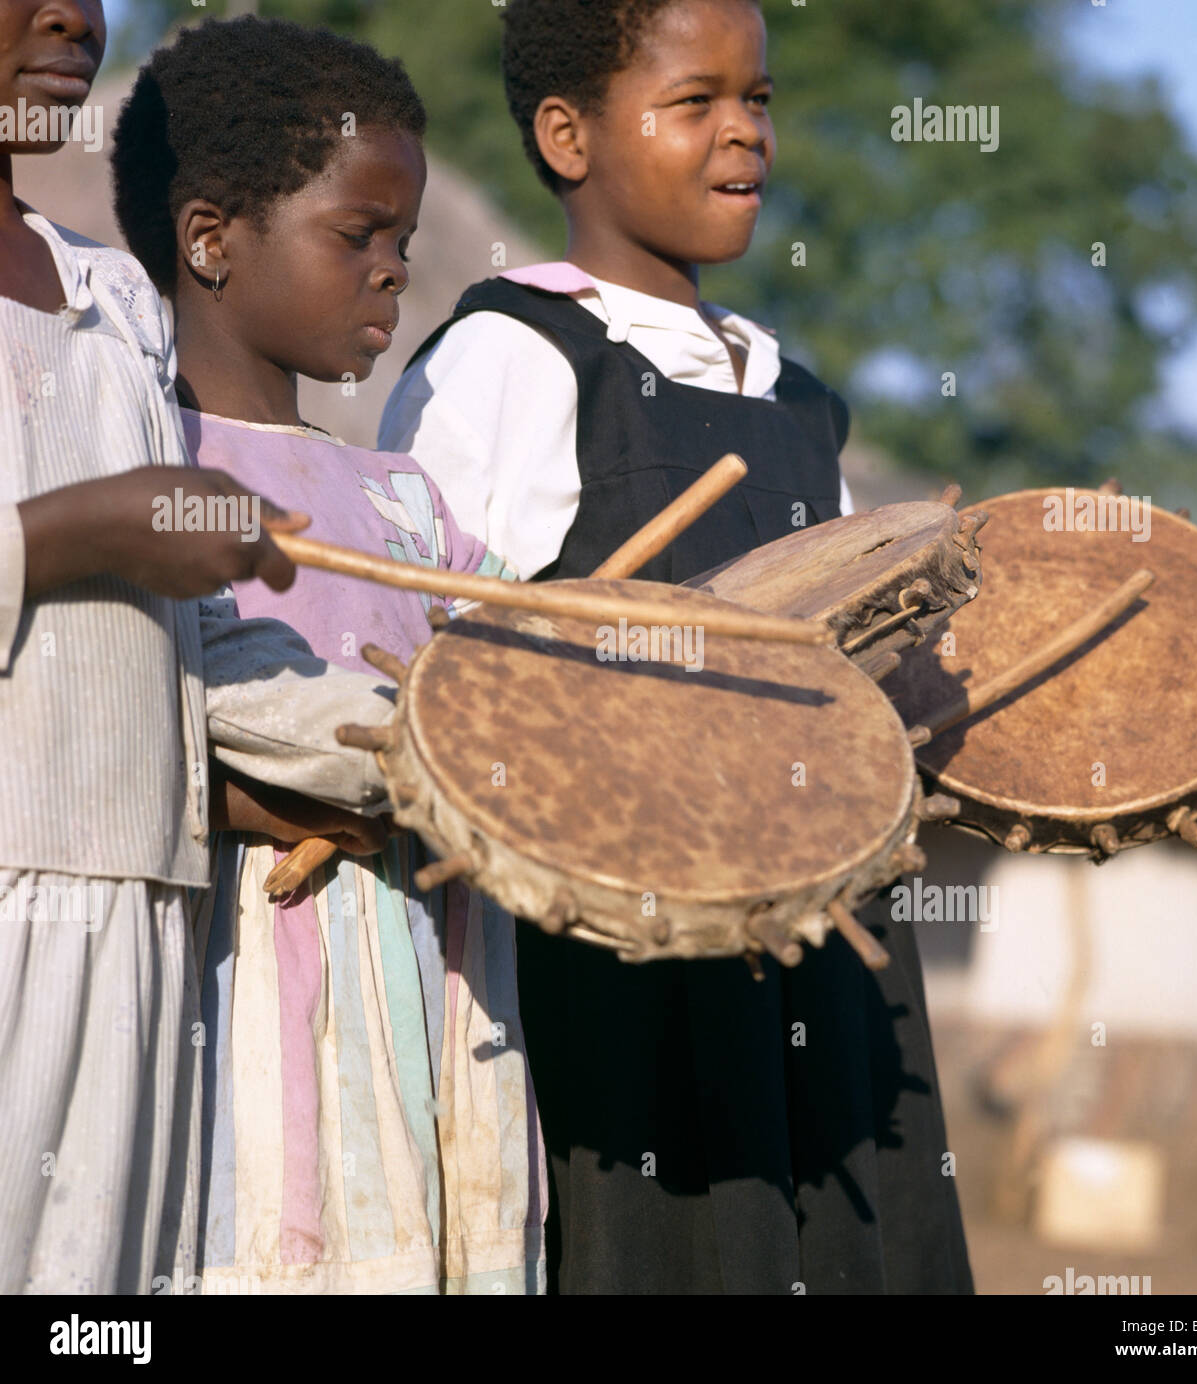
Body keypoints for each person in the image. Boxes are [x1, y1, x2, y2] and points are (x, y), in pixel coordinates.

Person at [381, 0, 973, 1294]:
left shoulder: (798, 393)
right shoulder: (512, 356)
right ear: (566, 132)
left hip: (832, 933)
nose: (744, 132)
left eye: (756, 99)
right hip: (631, 952)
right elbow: (427, 657)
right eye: (694, 101)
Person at [112, 15, 545, 1295]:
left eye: (404, 245)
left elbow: (510, 697)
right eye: (357, 237)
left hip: (434, 986)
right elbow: (137, 721)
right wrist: (264, 793)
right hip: (241, 997)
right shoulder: (153, 479)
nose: (392, 274)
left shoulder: (410, 504)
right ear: (210, 240)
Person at [0, 0, 398, 1294]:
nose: (74, 11)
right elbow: (80, 544)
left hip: (151, 918)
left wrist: (432, 754)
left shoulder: (112, 296)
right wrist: (80, 532)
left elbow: (188, 656)